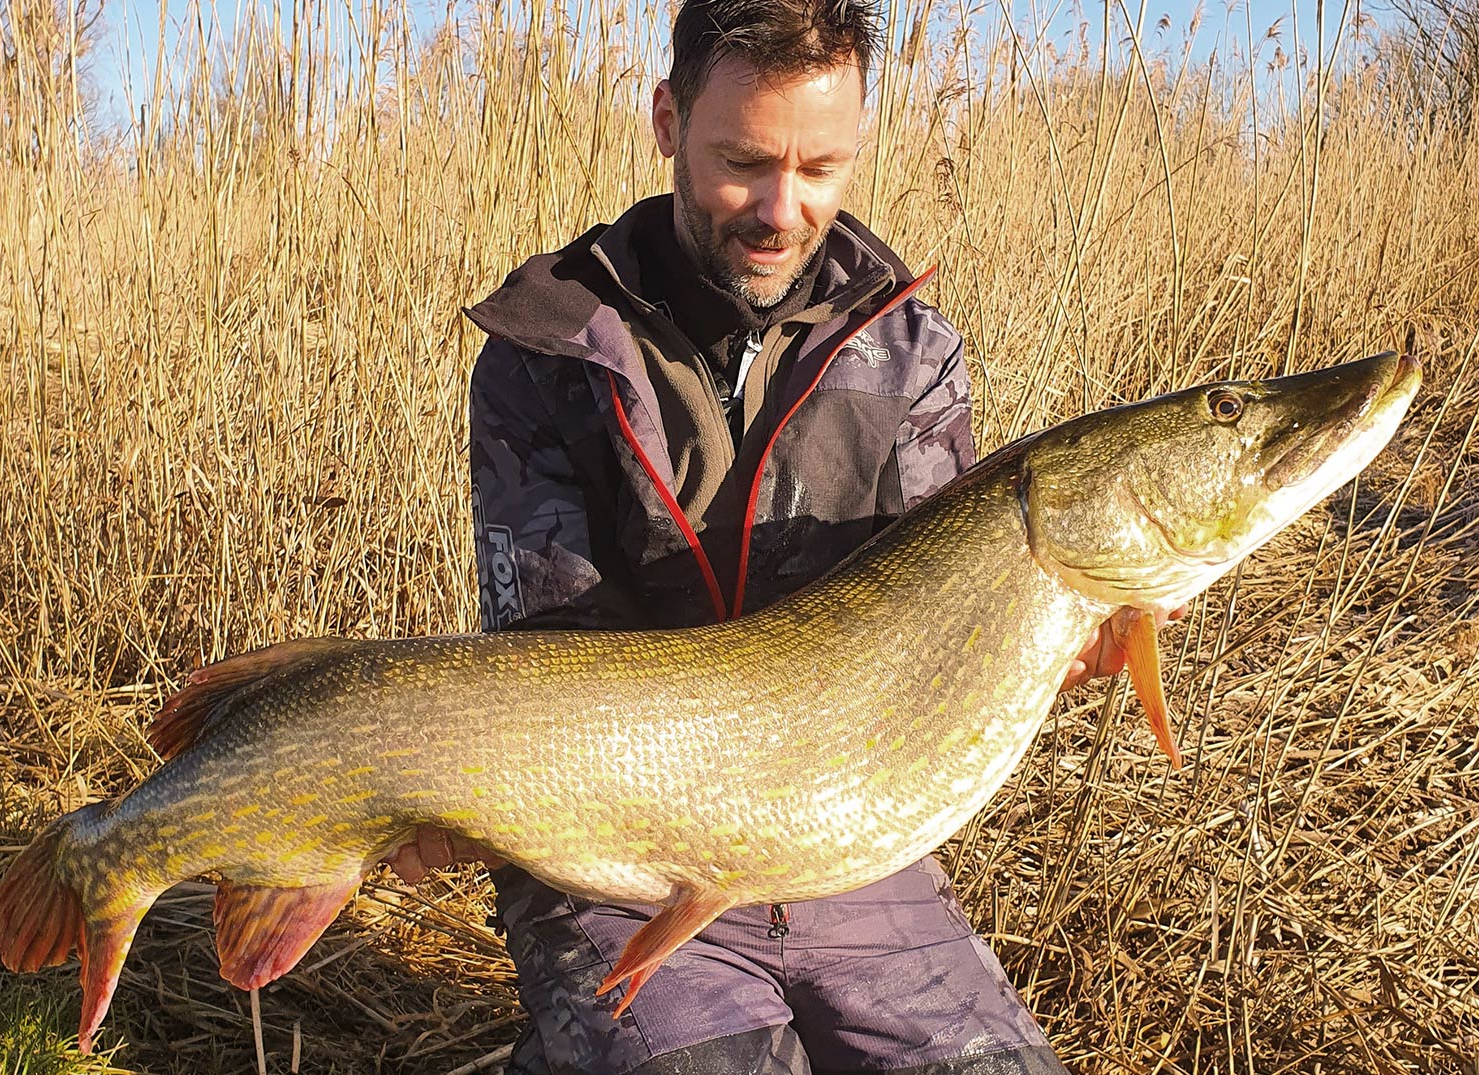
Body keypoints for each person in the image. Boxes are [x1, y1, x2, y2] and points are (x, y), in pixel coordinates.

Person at [460, 0, 1163, 1069]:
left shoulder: (913, 349)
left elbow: (946, 646)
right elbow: (550, 657)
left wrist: (1072, 637)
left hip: (851, 863)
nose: (781, 210)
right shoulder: (547, 351)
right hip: (614, 855)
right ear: (666, 120)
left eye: (822, 168)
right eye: (743, 162)